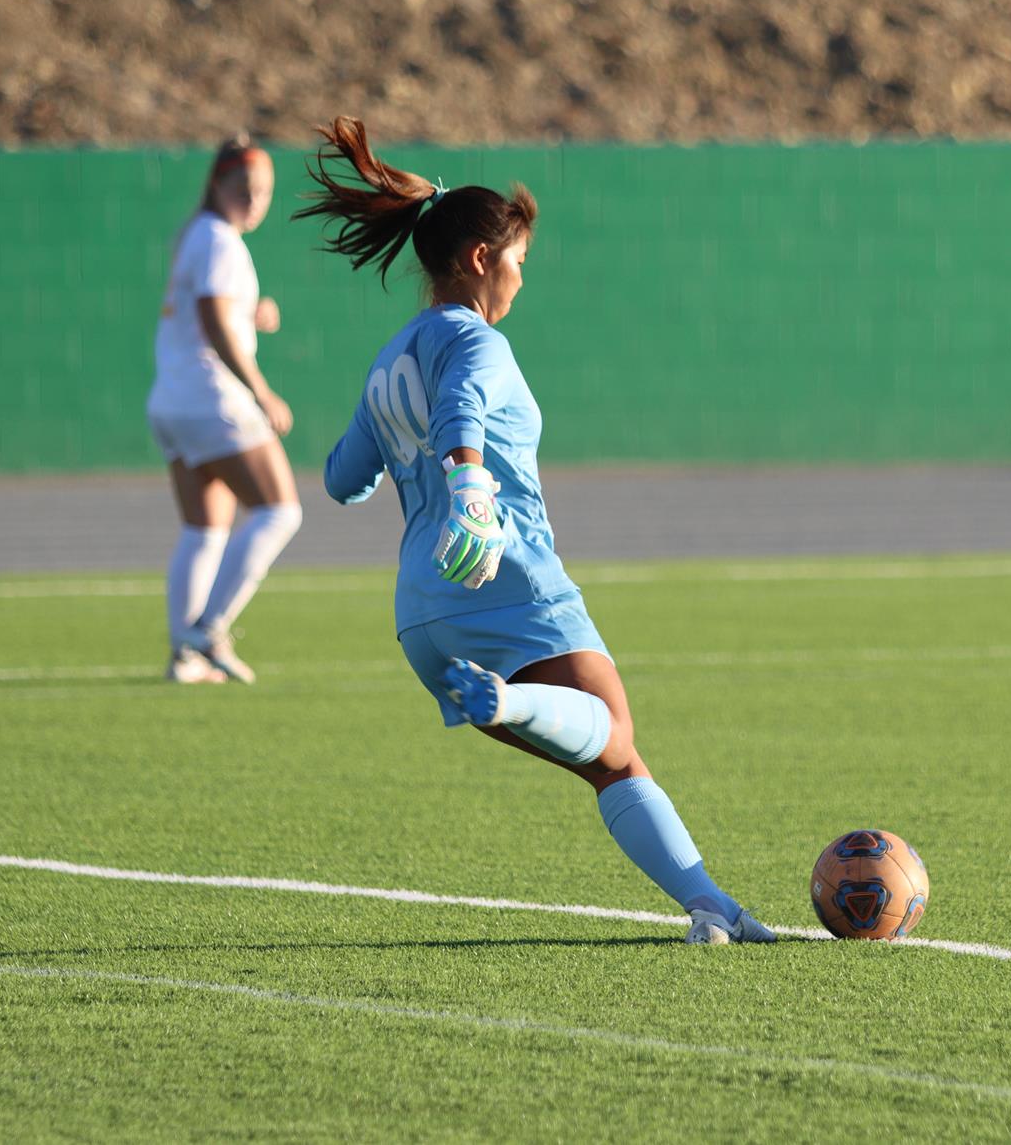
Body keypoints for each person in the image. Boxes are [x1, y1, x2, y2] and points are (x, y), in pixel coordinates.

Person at [299, 117, 773, 945]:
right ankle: (512, 699)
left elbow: (341, 478)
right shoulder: (479, 341)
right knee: (616, 736)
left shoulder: (388, 359)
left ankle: (713, 906)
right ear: (481, 259)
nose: (520, 279)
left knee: (611, 760)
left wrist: (390, 451)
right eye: (517, 261)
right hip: (504, 574)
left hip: (422, 612)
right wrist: (469, 484)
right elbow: (462, 409)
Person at [146, 135, 304, 684]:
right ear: (217, 186)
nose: (255, 201)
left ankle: (184, 657)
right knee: (280, 510)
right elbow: (212, 320)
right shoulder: (219, 240)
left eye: (263, 191)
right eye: (244, 189)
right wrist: (261, 390)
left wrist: (250, 313)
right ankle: (207, 630)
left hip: (172, 401)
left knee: (204, 530)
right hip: (213, 401)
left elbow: (211, 311)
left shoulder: (200, 234)